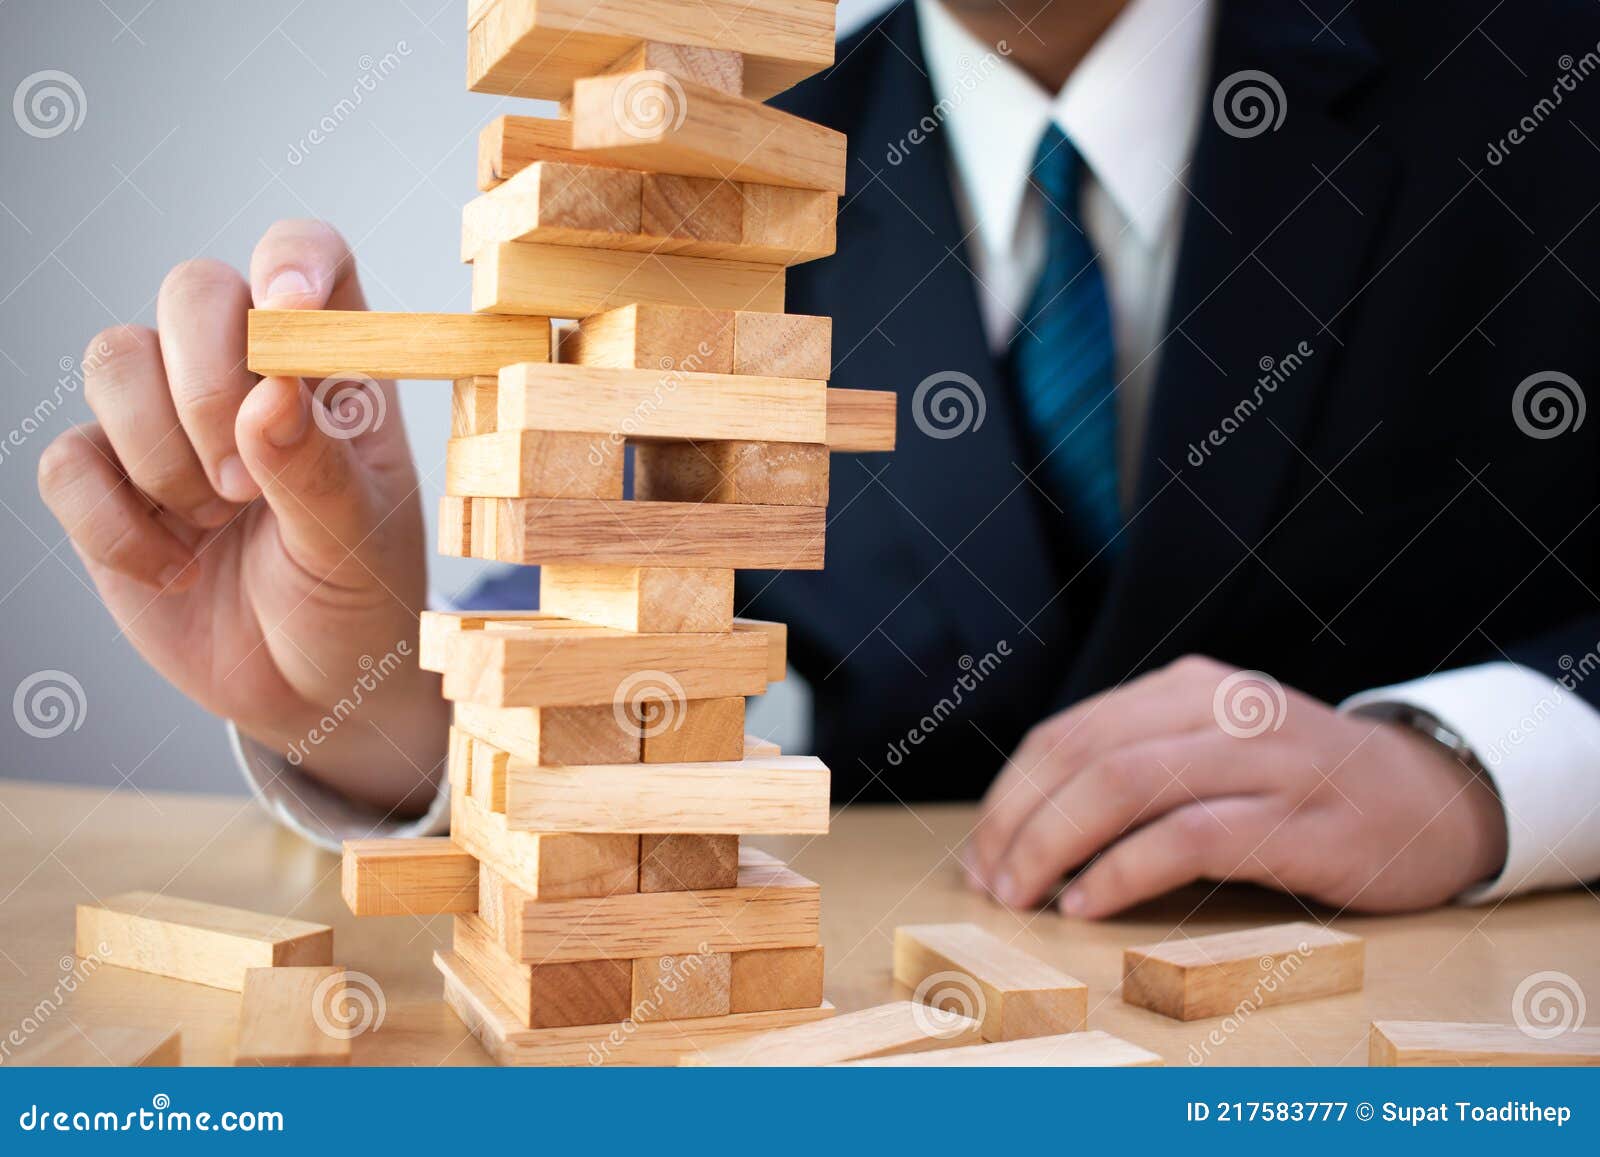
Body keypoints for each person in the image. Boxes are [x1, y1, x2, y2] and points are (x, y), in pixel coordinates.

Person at [37, 0, 1600, 918]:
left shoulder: (1543, 75)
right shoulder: (715, 170)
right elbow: (597, 619)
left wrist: (1476, 768)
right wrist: (379, 698)